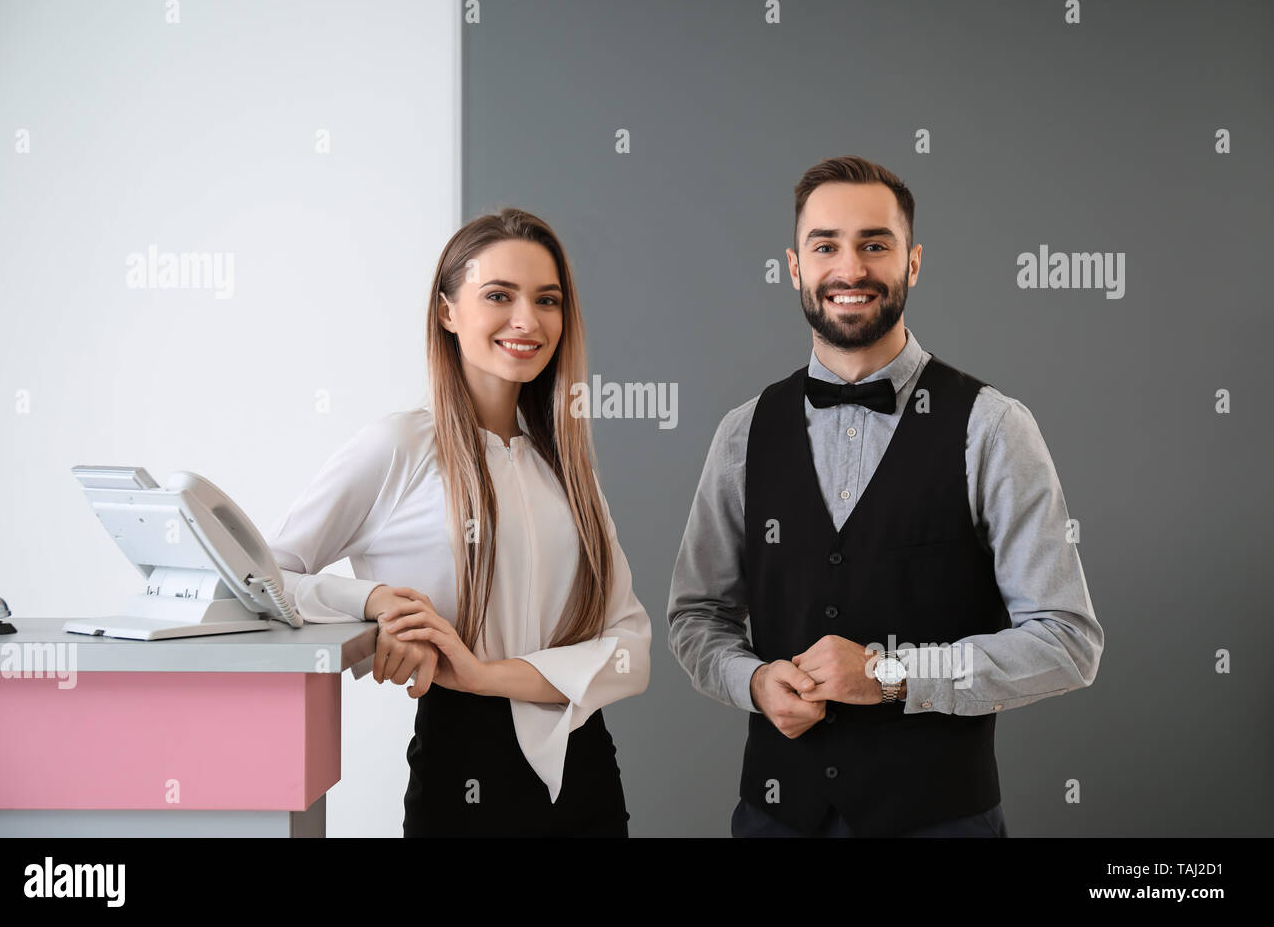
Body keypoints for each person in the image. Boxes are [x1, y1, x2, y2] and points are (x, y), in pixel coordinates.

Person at [667, 156, 1104, 838]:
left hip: (941, 823)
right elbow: (696, 615)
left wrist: (893, 674)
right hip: (774, 819)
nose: (850, 268)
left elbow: (1066, 641)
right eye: (825, 246)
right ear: (794, 266)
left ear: (914, 262)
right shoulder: (742, 433)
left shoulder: (992, 427)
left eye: (875, 244)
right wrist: (752, 682)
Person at [268, 208, 651, 837]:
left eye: (547, 300)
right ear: (448, 312)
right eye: (498, 295)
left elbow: (631, 652)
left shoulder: (567, 468)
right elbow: (262, 577)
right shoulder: (399, 447)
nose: (527, 321)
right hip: (462, 774)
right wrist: (373, 602)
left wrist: (481, 675)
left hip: (586, 776)